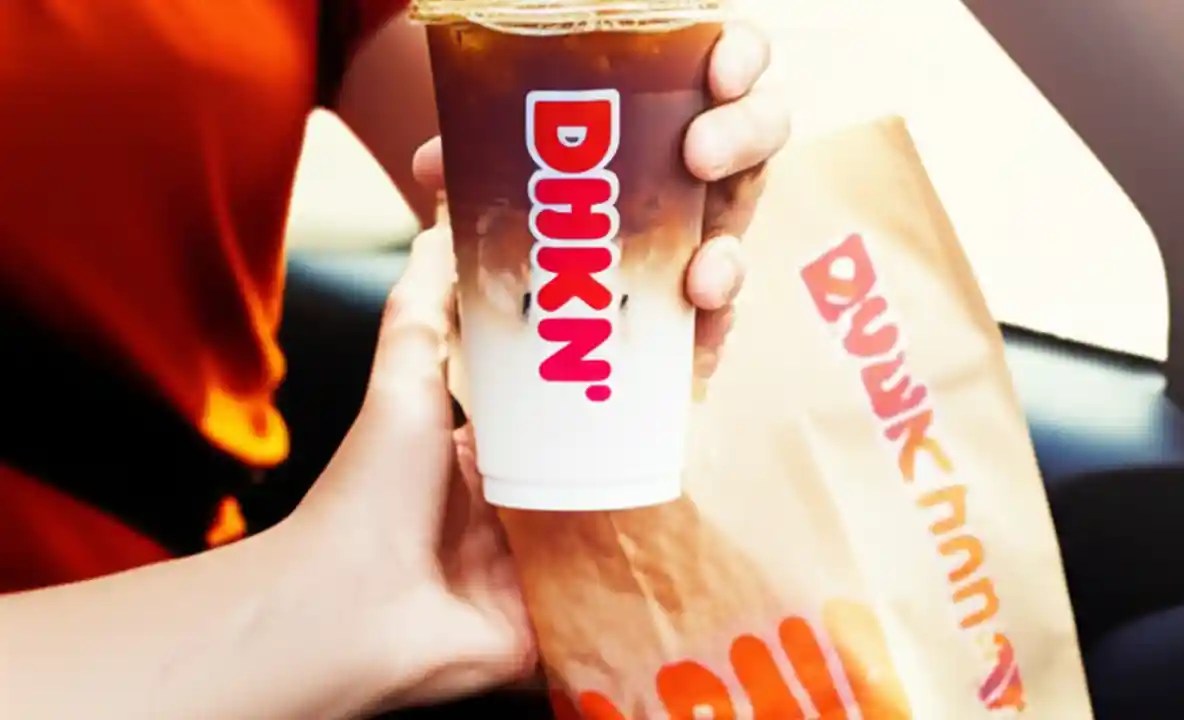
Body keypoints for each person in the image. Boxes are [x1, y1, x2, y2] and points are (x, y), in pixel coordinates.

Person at [0, 2, 790, 718]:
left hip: (256, 632)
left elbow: (549, 121)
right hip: (257, 648)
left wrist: (694, 176)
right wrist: (318, 608)